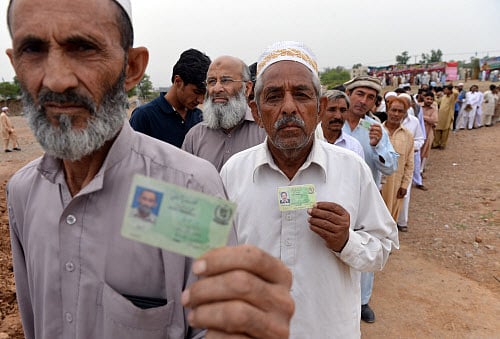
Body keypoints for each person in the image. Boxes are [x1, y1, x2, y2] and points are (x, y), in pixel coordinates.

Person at [5, 1, 294, 338]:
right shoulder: (24, 192)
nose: (56, 80)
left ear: (132, 68)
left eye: (83, 48)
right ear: (15, 64)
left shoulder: (185, 189)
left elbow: (216, 325)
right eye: (33, 50)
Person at [220, 41, 399, 338]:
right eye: (274, 96)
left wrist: (346, 241)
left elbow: (381, 250)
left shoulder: (351, 169)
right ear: (256, 111)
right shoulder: (233, 172)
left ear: (320, 108)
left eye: (301, 95)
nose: (288, 107)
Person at [342, 75, 399, 323]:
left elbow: (390, 167)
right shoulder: (333, 120)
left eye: (371, 98)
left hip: (364, 202)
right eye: (359, 94)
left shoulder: (374, 128)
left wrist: (377, 146)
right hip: (335, 197)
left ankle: (363, 300)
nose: (364, 101)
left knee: (366, 247)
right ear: (349, 94)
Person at [182, 56, 266, 171]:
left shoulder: (265, 132)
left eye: (225, 80)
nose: (216, 89)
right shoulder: (195, 137)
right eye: (211, 81)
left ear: (247, 88)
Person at [130, 48, 210, 147]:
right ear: (178, 81)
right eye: (196, 92)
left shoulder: (200, 118)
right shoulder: (144, 117)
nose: (201, 100)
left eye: (205, 94)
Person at [380, 97, 415, 229]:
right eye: (393, 110)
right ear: (387, 110)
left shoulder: (408, 136)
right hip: (376, 185)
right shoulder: (376, 130)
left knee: (390, 219)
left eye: (400, 111)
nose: (396, 114)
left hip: (395, 185)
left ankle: (386, 247)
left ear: (405, 114)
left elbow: (409, 164)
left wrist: (405, 185)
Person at [315, 89, 364, 159]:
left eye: (343, 110)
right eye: (332, 110)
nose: (338, 116)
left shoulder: (354, 146)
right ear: (320, 111)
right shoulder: (310, 142)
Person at [432, 84, 458, 149]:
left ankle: (442, 144)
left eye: (446, 89)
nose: (444, 90)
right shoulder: (444, 97)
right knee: (437, 130)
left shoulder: (452, 96)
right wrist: (434, 95)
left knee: (445, 131)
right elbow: (437, 102)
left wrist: (451, 87)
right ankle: (436, 144)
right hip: (440, 116)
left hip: (447, 116)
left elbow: (456, 92)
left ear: (450, 90)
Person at [419, 91, 438, 173]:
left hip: (428, 131)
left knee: (425, 150)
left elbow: (434, 120)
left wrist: (422, 117)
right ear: (424, 98)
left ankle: (421, 169)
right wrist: (428, 119)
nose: (429, 101)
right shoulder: (418, 107)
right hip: (418, 131)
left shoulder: (433, 110)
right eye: (427, 99)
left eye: (431, 99)